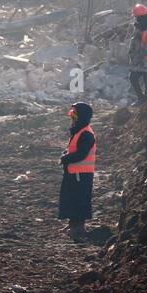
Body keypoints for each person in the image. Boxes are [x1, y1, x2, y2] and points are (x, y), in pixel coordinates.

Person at [57, 102, 96, 237]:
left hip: (81, 174)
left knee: (79, 200)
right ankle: (72, 224)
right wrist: (66, 155)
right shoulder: (79, 131)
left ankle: (78, 228)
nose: (72, 117)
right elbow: (74, 149)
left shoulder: (86, 134)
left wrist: (65, 159)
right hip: (74, 172)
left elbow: (82, 154)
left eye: (74, 115)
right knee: (71, 198)